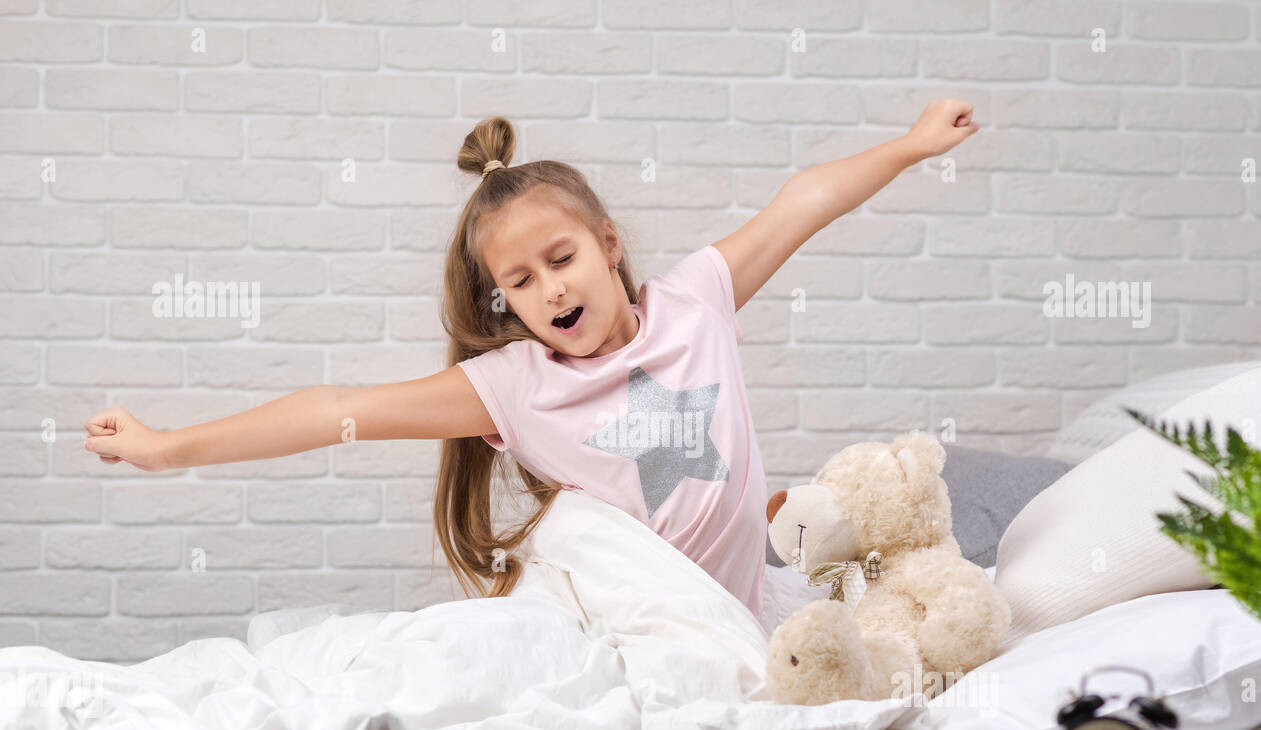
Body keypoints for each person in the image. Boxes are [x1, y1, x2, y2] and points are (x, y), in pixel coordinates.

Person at [83, 104, 980, 622]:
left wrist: (911, 145)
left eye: (561, 261)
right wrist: (169, 448)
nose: (549, 291)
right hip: (630, 625)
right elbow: (336, 409)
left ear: (608, 245)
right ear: (502, 303)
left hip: (733, 619)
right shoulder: (514, 385)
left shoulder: (694, 301)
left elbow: (802, 203)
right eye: (519, 281)